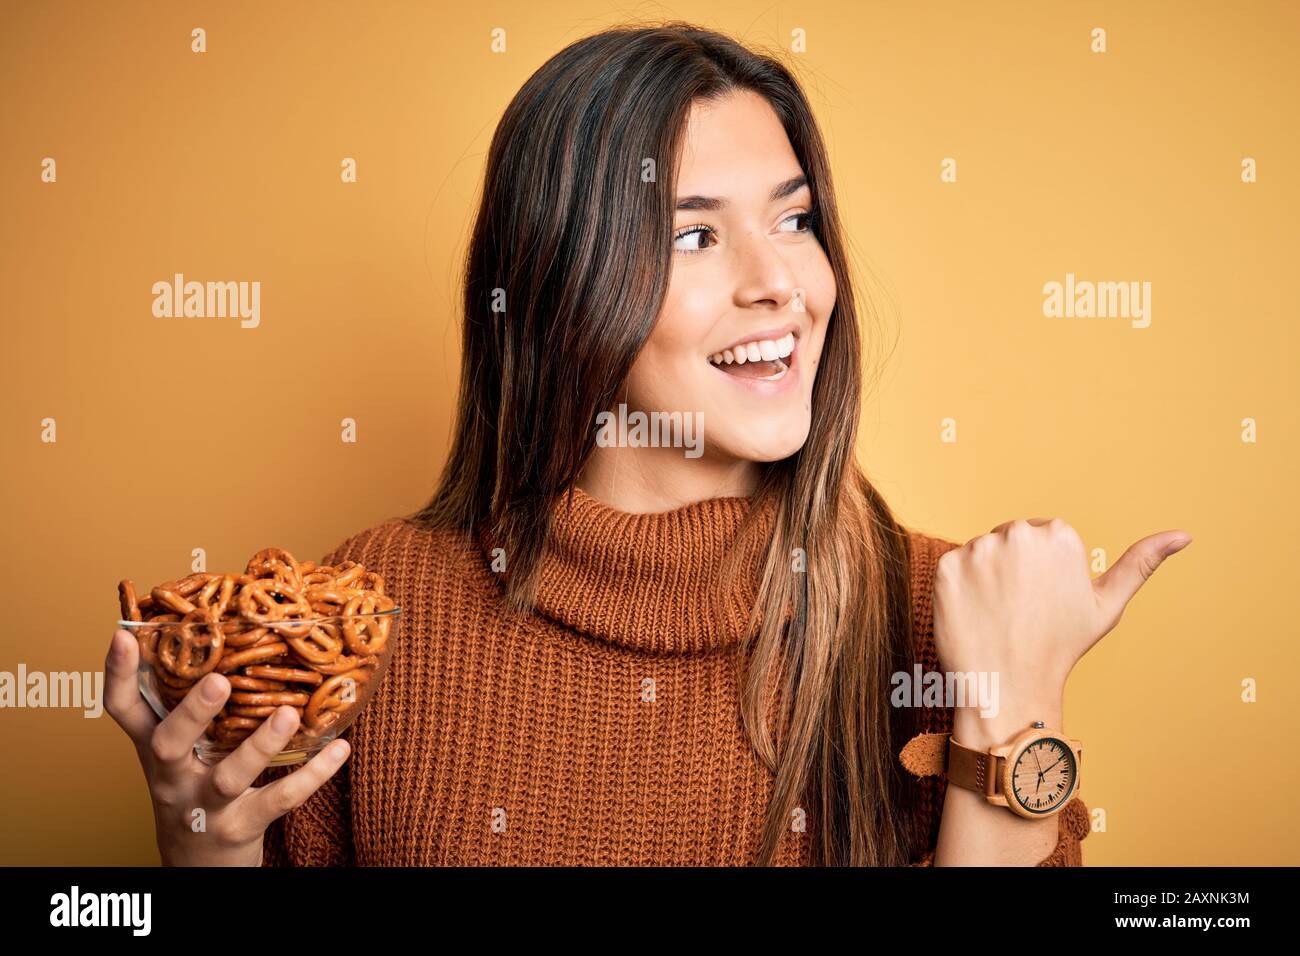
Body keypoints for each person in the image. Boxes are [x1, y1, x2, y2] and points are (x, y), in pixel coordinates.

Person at [104, 22, 1190, 866]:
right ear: (561, 284)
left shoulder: (940, 612)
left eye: (795, 218)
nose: (780, 282)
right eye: (694, 233)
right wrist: (205, 843)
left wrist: (1012, 705)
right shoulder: (380, 602)